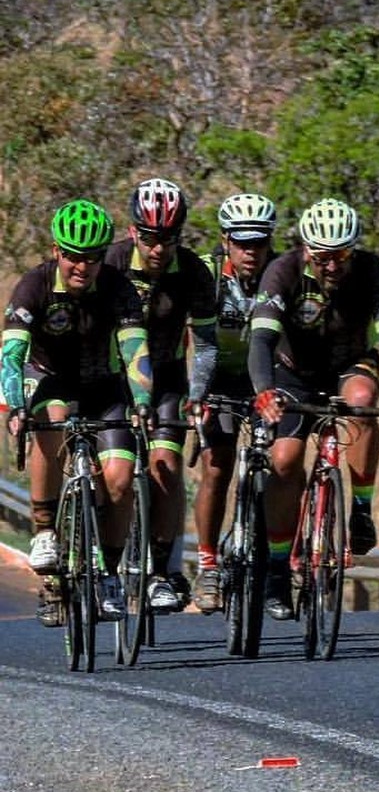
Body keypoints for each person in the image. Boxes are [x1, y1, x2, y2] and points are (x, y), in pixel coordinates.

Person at [248, 197, 379, 622]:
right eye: (323, 258)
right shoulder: (282, 271)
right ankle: (279, 570)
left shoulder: (374, 272)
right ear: (306, 250)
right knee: (283, 460)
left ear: (353, 250)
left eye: (341, 256)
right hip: (292, 373)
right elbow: (261, 342)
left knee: (360, 403)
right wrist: (265, 390)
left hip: (348, 365)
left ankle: (360, 506)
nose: (333, 267)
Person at [1, 199, 154, 625]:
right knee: (48, 421)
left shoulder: (118, 288)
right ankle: (46, 530)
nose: (81, 267)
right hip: (49, 379)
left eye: (92, 258)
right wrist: (15, 404)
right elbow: (12, 353)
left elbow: (135, 351)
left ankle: (107, 572)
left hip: (103, 387)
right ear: (56, 251)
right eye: (72, 256)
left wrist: (143, 402)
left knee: (121, 481)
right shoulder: (34, 285)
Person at [107, 177, 218, 614]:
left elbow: (207, 345)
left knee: (166, 465)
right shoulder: (111, 262)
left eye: (169, 239)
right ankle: (100, 558)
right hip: (113, 376)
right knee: (111, 473)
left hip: (168, 376)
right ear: (134, 231)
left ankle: (160, 571)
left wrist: (199, 392)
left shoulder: (193, 272)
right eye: (150, 238)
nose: (158, 248)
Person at [191, 192, 279, 614]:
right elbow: (181, 335)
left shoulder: (282, 275)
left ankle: (280, 562)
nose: (251, 251)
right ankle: (207, 562)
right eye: (242, 242)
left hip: (269, 379)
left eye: (259, 242)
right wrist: (194, 396)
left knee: (282, 464)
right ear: (225, 240)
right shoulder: (205, 274)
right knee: (218, 464)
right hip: (217, 380)